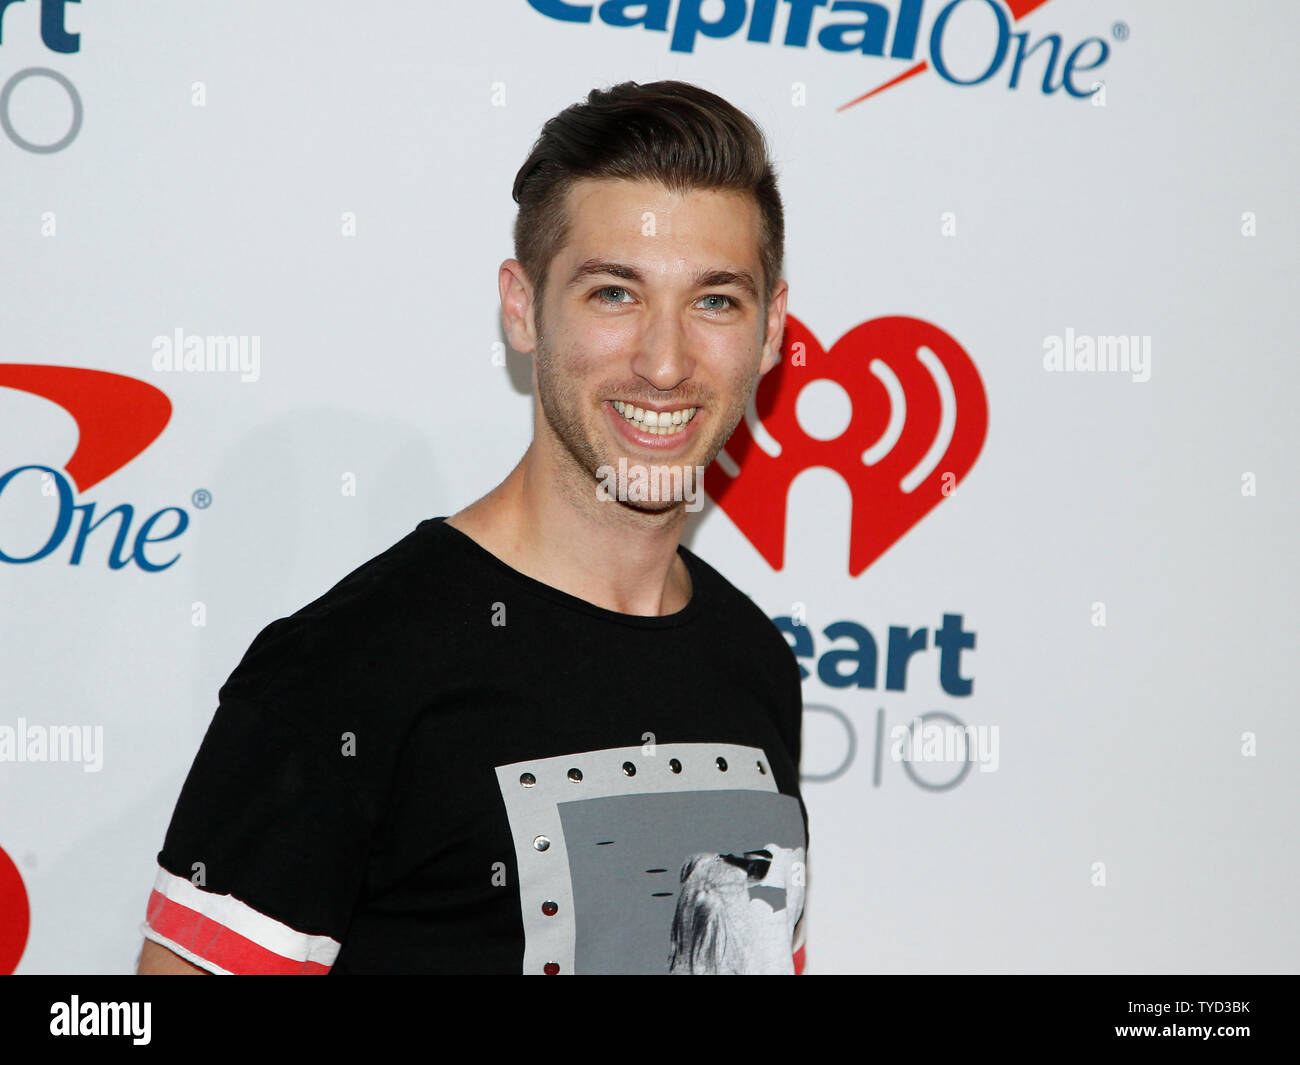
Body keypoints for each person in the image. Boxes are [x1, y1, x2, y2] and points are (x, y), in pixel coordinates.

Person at [135, 79, 808, 975]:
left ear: (771, 333)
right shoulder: (345, 670)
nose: (664, 359)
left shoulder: (752, 659)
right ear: (524, 307)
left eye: (715, 301)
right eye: (614, 293)